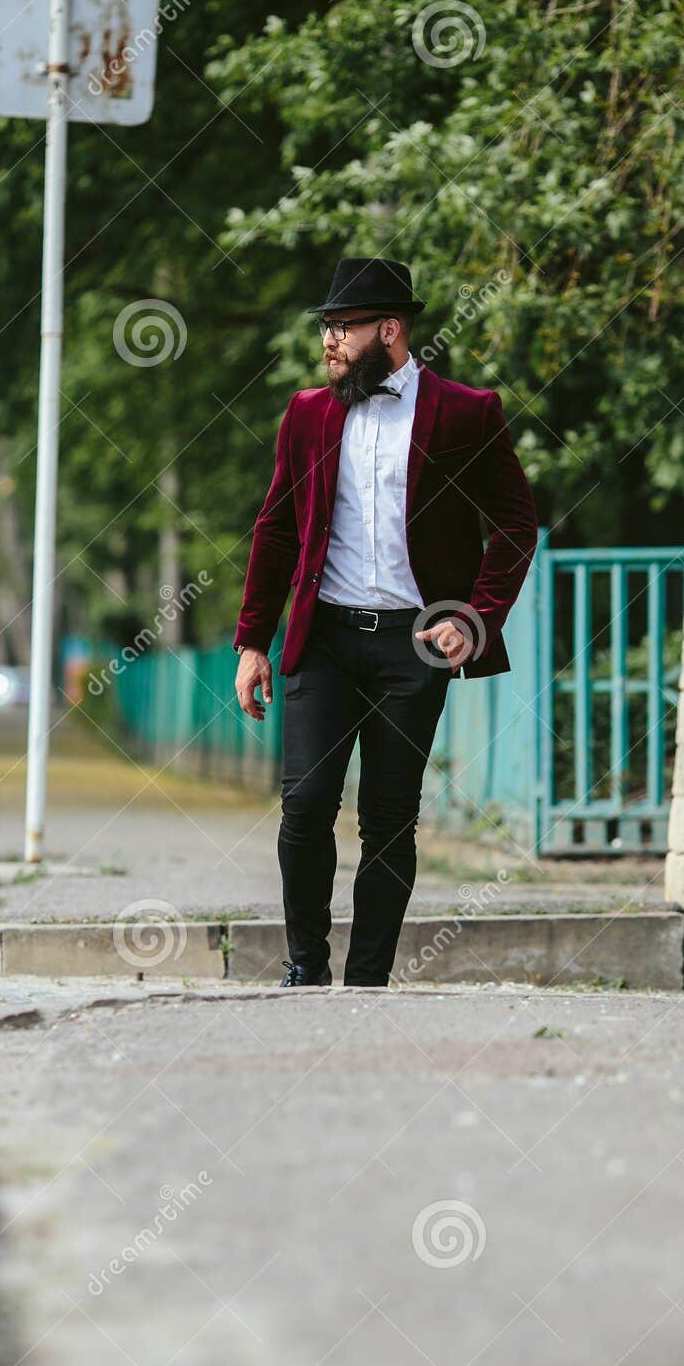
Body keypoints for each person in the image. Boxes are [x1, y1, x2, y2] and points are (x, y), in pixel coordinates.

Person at [233, 256, 538, 988]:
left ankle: (367, 979)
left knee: (388, 818)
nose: (328, 342)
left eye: (343, 328)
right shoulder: (307, 413)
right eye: (327, 329)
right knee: (305, 803)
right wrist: (252, 641)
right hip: (324, 639)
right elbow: (275, 530)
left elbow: (515, 523)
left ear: (390, 331)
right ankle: (305, 964)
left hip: (415, 645)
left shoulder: (466, 412)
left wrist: (475, 616)